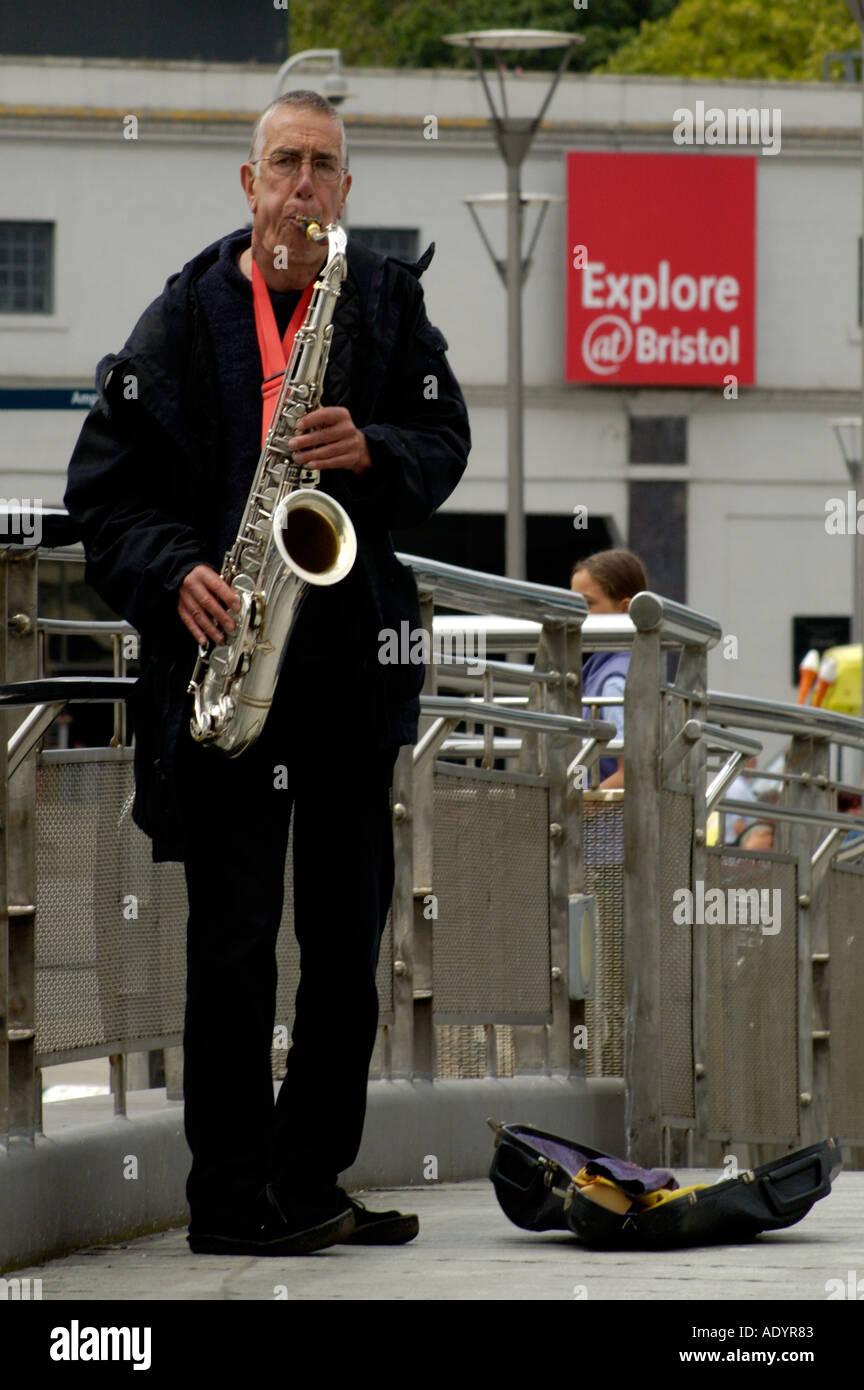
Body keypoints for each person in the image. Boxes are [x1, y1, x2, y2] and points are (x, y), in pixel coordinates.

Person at [64, 90, 470, 1257]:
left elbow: (446, 442)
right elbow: (105, 496)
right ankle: (227, 1199)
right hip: (230, 675)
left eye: (325, 167)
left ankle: (309, 1183)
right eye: (285, 163)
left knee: (349, 947)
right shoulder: (181, 317)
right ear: (249, 186)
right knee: (234, 952)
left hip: (347, 677)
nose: (304, 184)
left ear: (347, 191)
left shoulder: (386, 303)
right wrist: (174, 570)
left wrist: (376, 450)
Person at [570, 548, 647, 790]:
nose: (576, 614)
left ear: (625, 610)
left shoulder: (614, 680)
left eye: (587, 604)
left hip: (605, 824)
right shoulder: (610, 668)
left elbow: (629, 775)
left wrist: (574, 812)